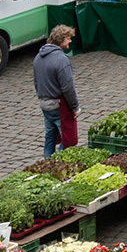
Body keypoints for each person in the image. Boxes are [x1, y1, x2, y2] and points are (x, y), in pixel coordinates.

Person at [34, 25, 80, 158]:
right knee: (67, 139)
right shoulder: (61, 60)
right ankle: (58, 163)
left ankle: (46, 163)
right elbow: (68, 87)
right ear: (61, 40)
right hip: (58, 105)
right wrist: (75, 107)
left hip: (44, 103)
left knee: (50, 136)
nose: (70, 41)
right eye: (68, 38)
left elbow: (36, 82)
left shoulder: (38, 57)